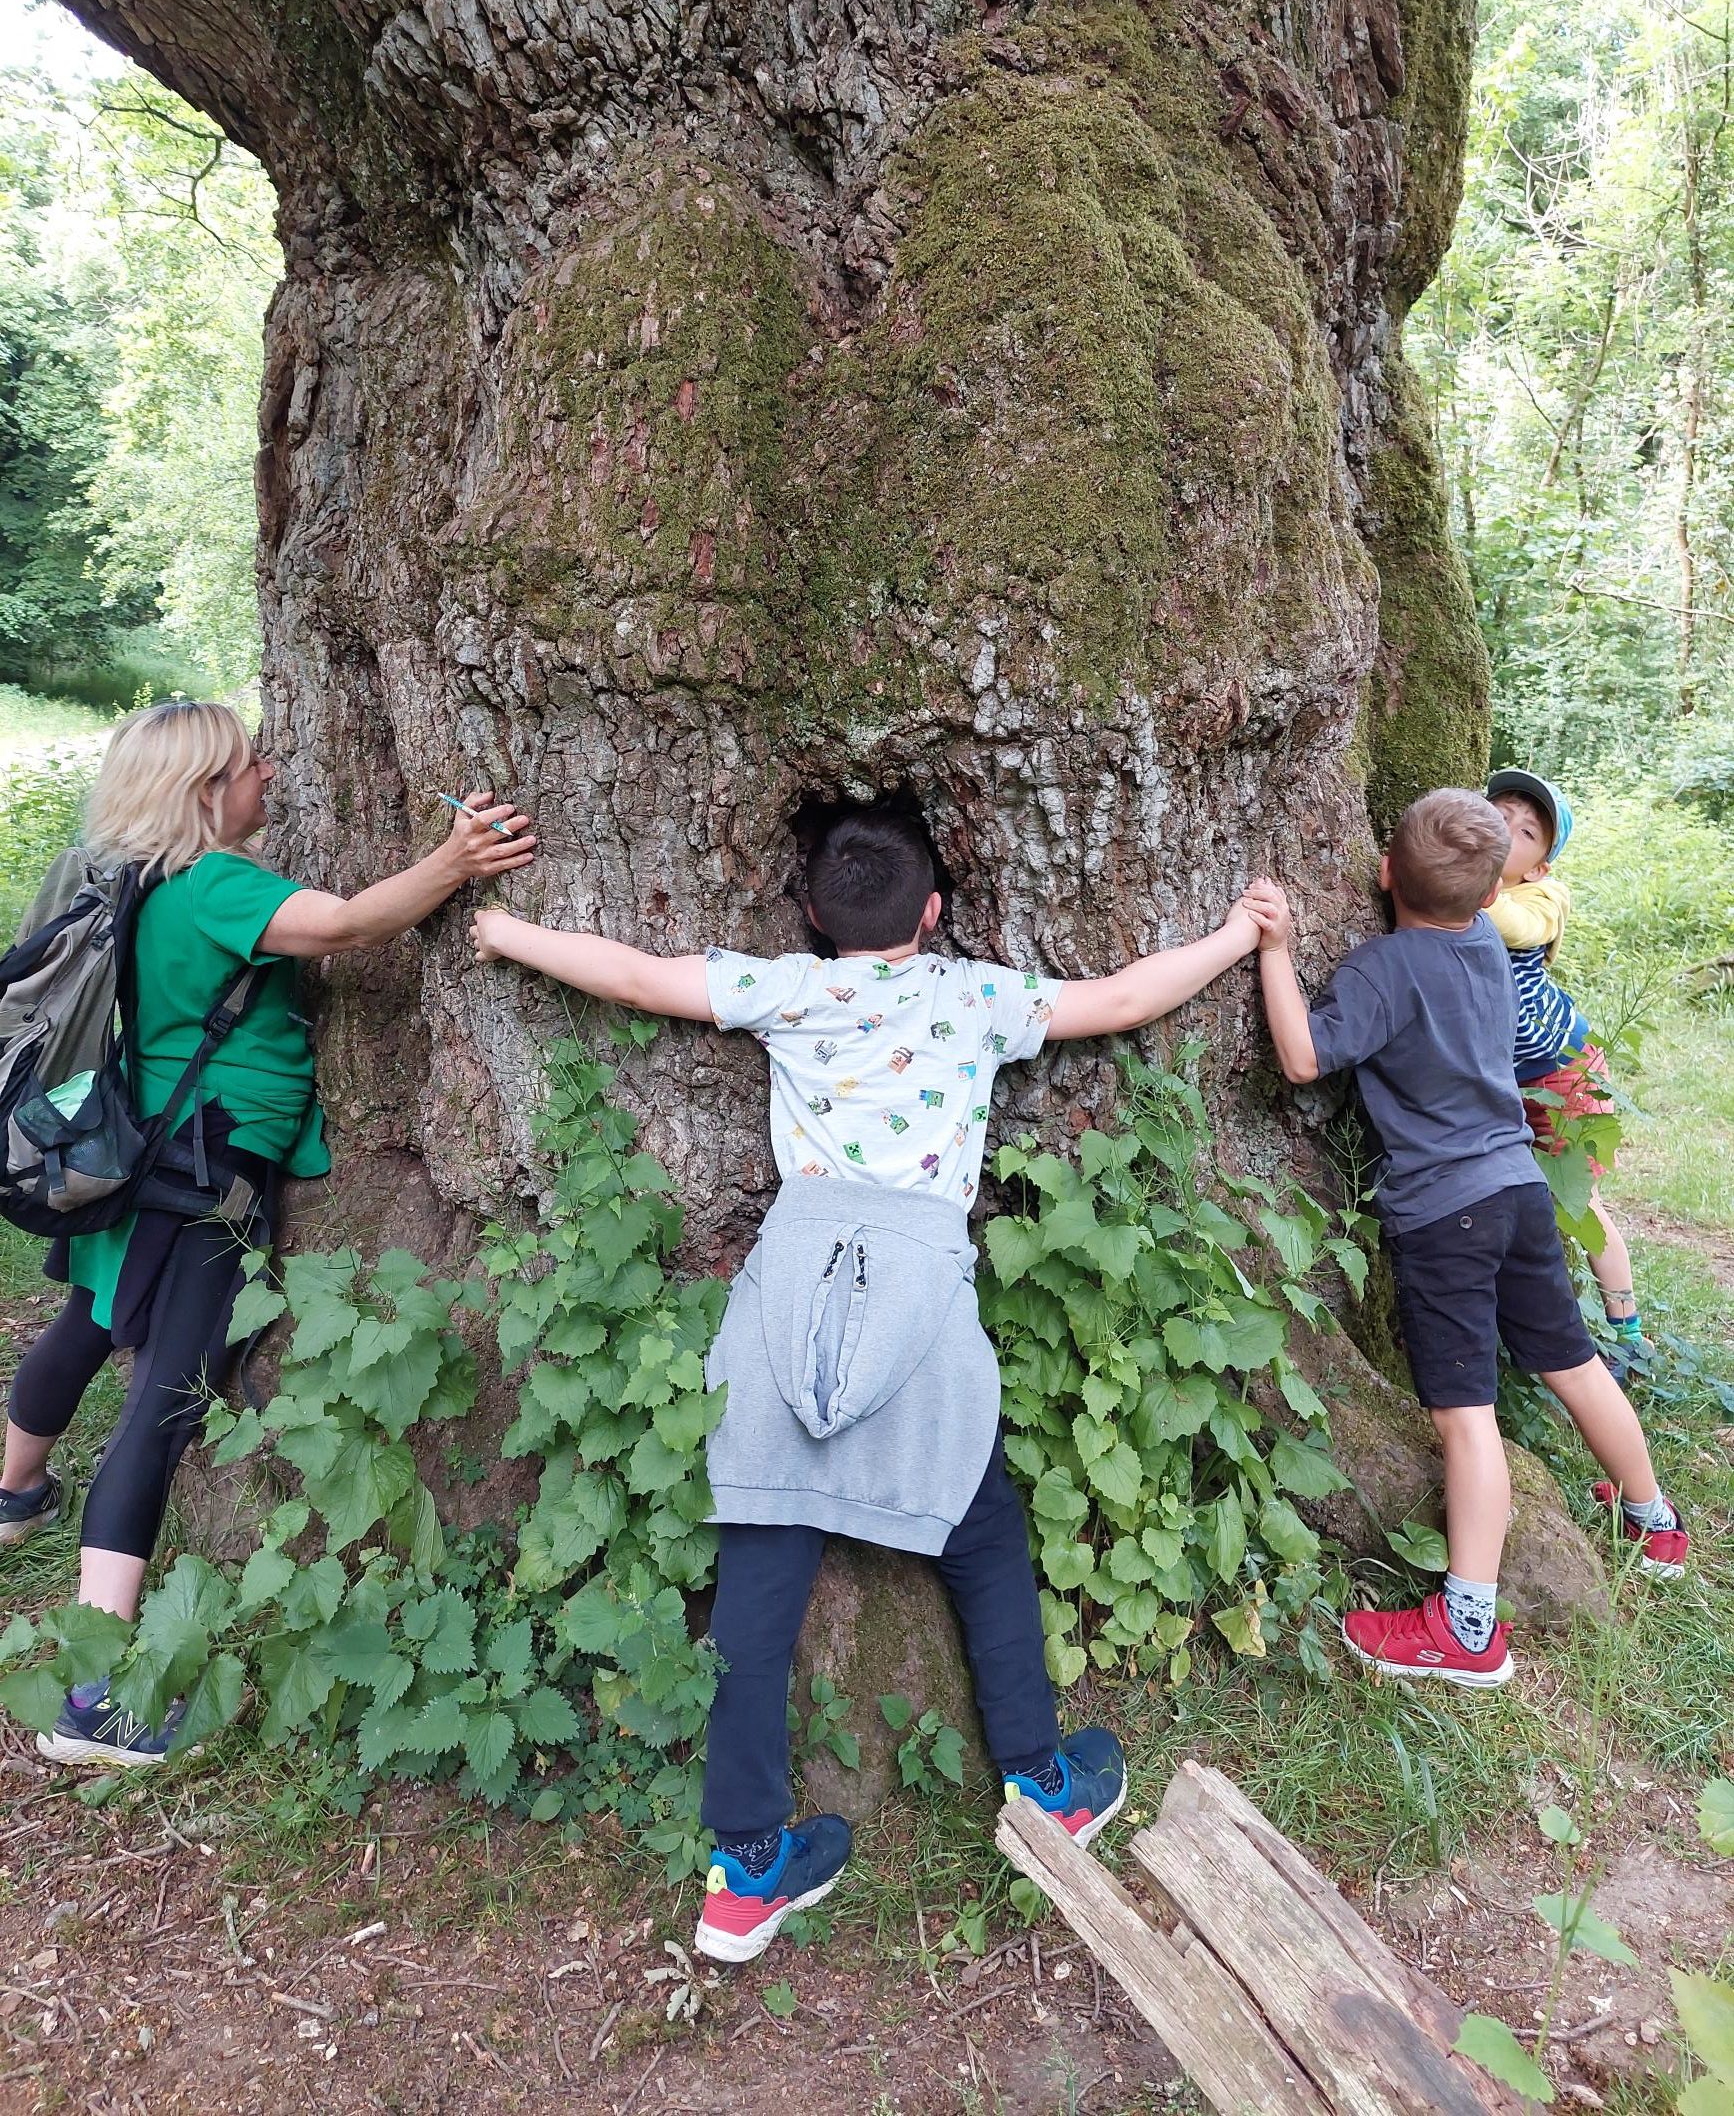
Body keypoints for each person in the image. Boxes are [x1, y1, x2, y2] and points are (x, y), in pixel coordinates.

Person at [470, 806, 1263, 1961]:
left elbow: (637, 976)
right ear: (934, 910)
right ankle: (1043, 1781)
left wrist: (506, 929)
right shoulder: (976, 996)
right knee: (983, 1530)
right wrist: (1239, 933)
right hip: (920, 1284)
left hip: (793, 1282)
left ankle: (747, 1865)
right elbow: (1128, 996)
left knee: (760, 1557)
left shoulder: (790, 988)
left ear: (810, 913)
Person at [0, 700, 534, 1767]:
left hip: (140, 1144)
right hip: (204, 1162)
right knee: (165, 1404)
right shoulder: (215, 885)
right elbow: (346, 924)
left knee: (88, 1322)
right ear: (205, 792)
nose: (272, 772)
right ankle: (97, 1698)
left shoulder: (135, 875)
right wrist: (456, 859)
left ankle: (13, 1497)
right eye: (251, 762)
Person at [1242, 789, 1687, 1692]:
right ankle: (1656, 1523)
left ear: (1383, 872)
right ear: (1491, 896)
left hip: (1447, 1215)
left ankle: (1467, 1626)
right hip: (1520, 1188)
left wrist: (1278, 949)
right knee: (1573, 1362)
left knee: (1464, 1414)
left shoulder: (1382, 969)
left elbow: (1302, 1058)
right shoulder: (1488, 942)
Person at [1484, 769, 1642, 1377]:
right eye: (1498, 815)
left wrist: (1469, 883)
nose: (1507, 830)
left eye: (1526, 833)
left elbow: (1517, 929)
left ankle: (1627, 1329)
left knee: (1578, 1201)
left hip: (1563, 1072)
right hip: (1508, 1079)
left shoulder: (1542, 900)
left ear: (1539, 868)